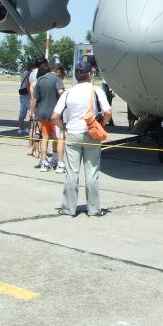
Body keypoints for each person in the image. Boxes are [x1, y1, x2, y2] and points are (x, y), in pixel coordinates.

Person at [52, 61, 112, 216]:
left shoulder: (68, 93)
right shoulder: (96, 90)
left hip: (73, 134)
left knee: (72, 173)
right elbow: (108, 112)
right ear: (90, 75)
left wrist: (63, 128)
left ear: (76, 76)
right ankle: (93, 209)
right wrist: (102, 125)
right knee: (91, 173)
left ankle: (68, 209)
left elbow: (55, 116)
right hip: (91, 134)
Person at [34, 62, 66, 171]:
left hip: (42, 114)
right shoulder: (57, 79)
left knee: (45, 137)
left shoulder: (40, 79)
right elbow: (61, 92)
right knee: (60, 138)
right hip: (55, 115)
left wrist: (33, 112)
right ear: (58, 71)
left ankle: (44, 163)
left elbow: (35, 98)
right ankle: (60, 164)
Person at [17, 62, 36, 134]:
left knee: (22, 112)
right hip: (28, 94)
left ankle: (21, 128)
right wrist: (32, 95)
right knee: (32, 111)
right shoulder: (30, 74)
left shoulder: (23, 73)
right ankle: (29, 128)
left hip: (22, 94)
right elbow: (28, 85)